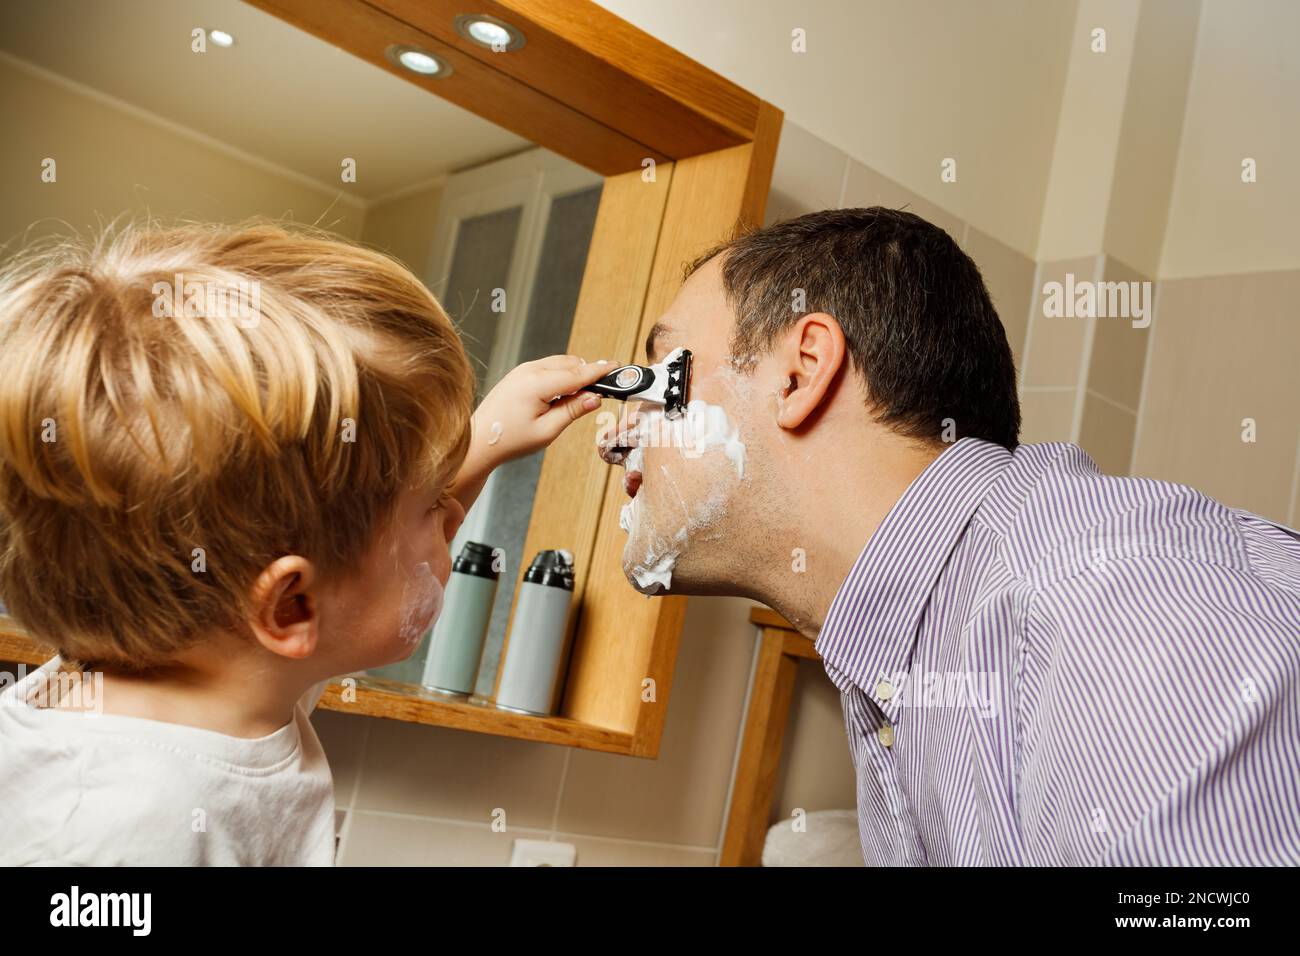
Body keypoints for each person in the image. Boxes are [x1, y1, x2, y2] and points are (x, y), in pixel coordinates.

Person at [600, 206, 1300, 866]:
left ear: (802, 370)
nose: (619, 432)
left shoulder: (1116, 617)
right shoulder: (908, 650)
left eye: (663, 376)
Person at [0, 220, 610, 864]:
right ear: (290, 607)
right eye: (434, 506)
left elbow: (354, 566)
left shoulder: (208, 662)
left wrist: (482, 442)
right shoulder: (119, 834)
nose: (451, 520)